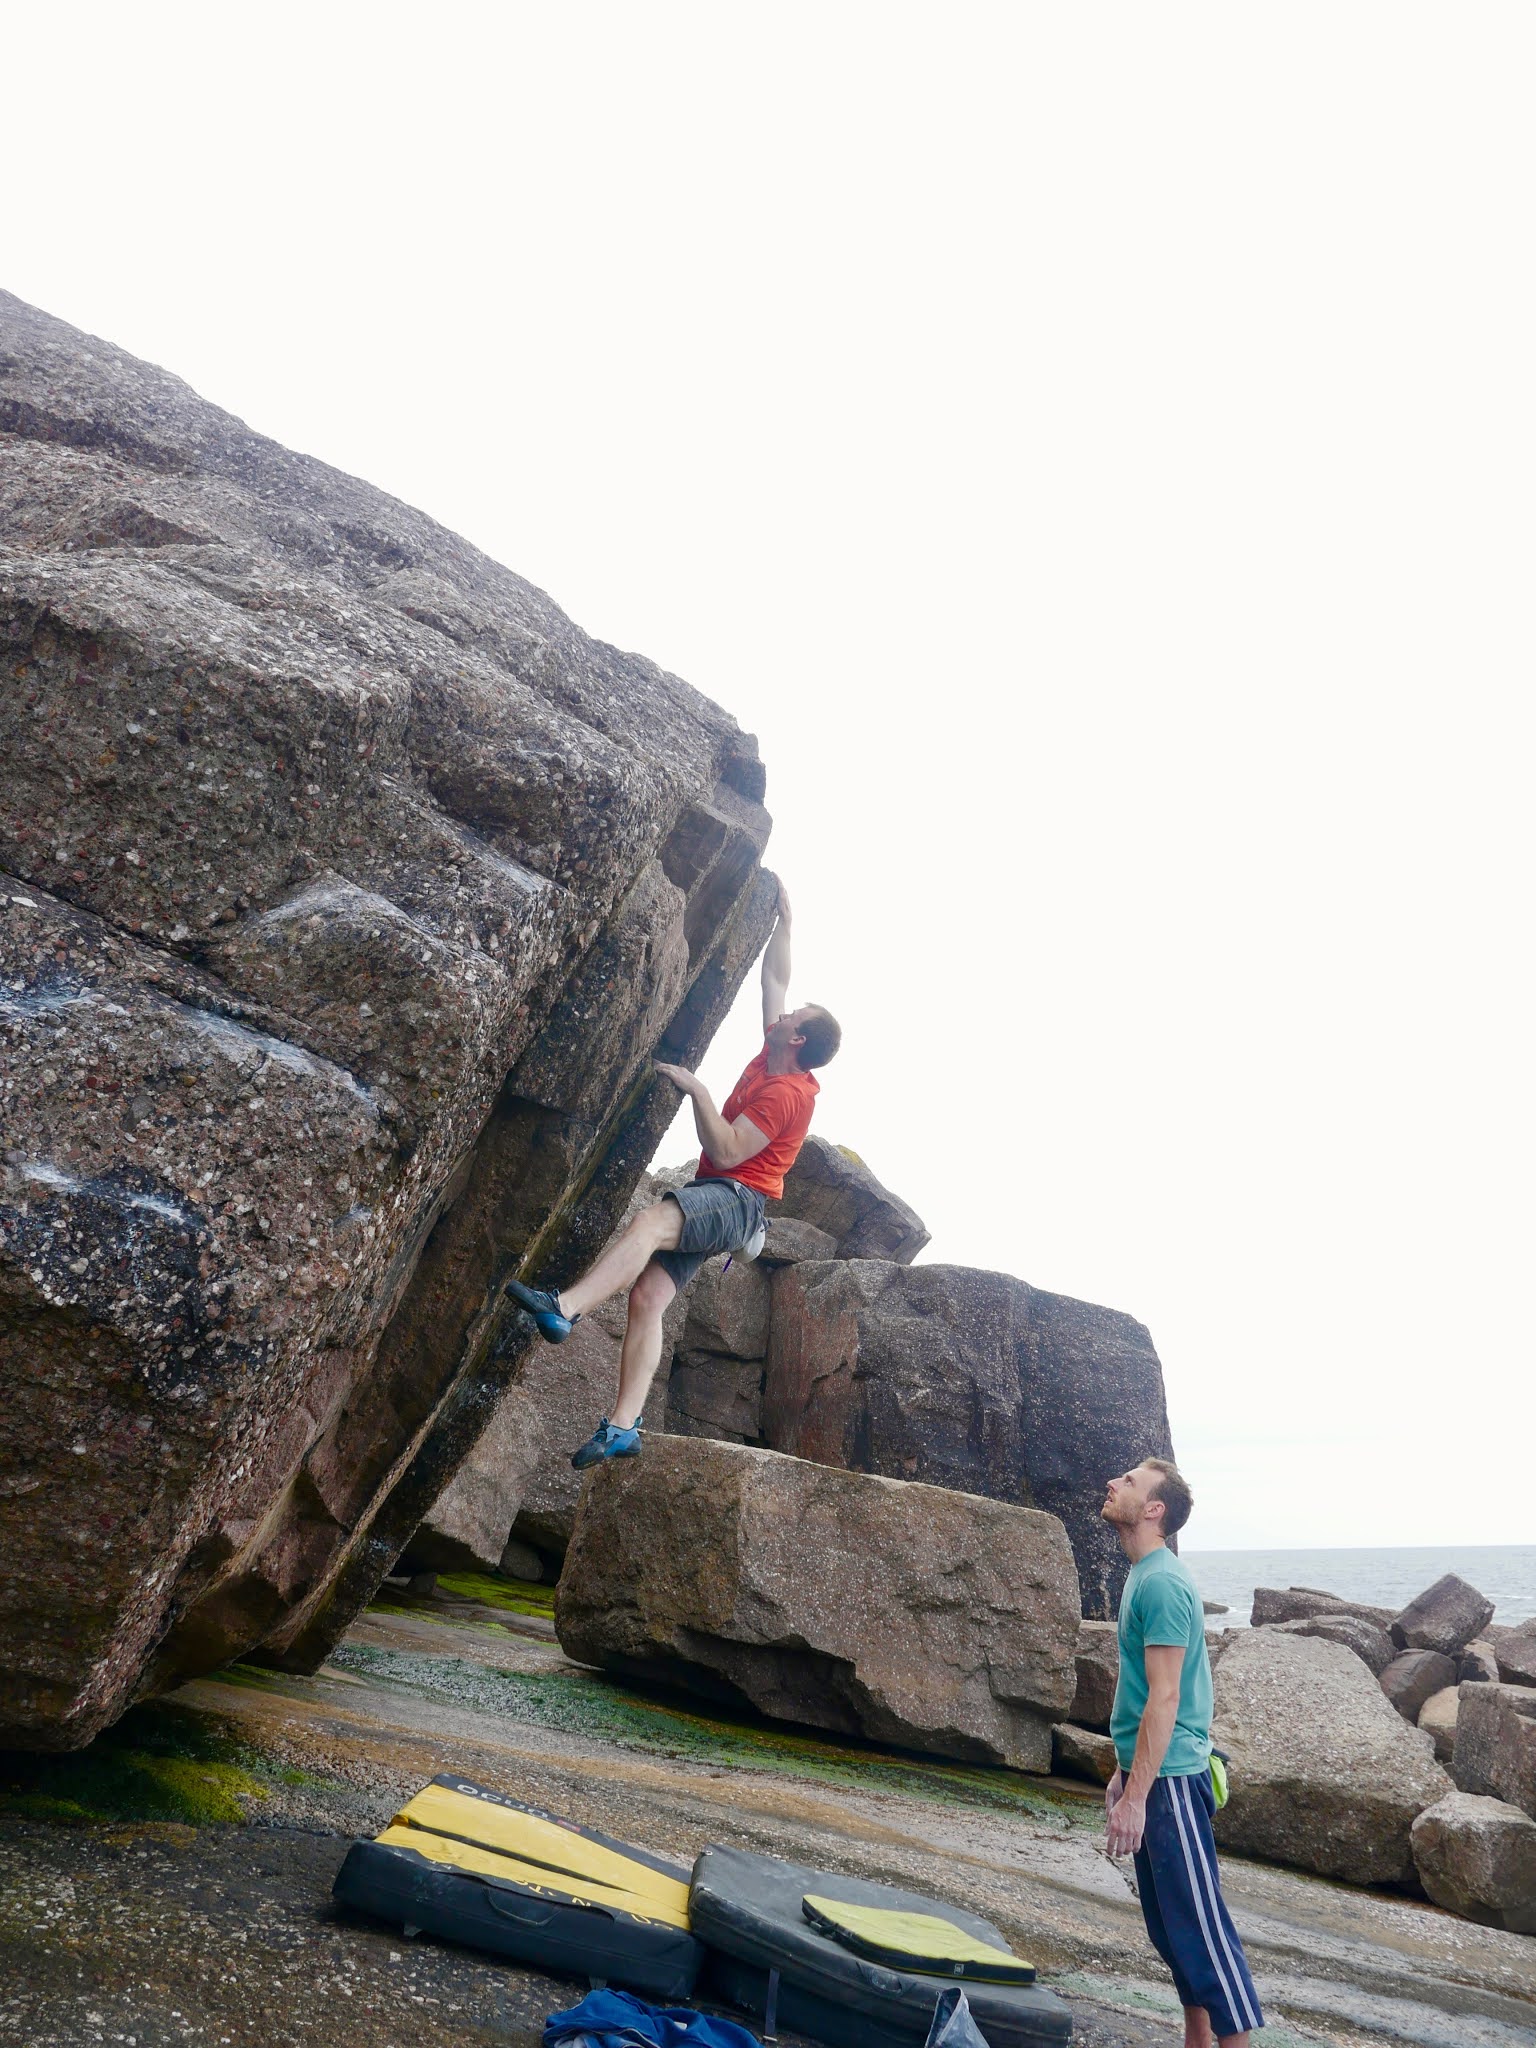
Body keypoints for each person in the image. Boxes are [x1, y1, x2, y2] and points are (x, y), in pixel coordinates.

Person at [505, 881, 840, 1470]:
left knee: (653, 1221)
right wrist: (785, 925)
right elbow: (775, 982)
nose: (784, 1012)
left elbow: (732, 1151)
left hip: (738, 1199)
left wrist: (698, 1091)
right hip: (722, 1195)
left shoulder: (789, 1094)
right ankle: (622, 1426)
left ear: (800, 1038)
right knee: (648, 1297)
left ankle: (565, 1308)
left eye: (795, 1016)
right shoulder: (774, 1051)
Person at [1101, 1459, 1264, 2048]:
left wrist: (1139, 1796)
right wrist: (1123, 1774)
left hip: (1171, 1780)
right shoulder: (1143, 1573)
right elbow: (1143, 1693)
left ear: (1153, 1510)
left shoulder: (1163, 1582)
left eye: (1130, 1482)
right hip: (1152, 1776)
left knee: (1204, 1933)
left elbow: (1167, 1698)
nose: (1114, 1483)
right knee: (1174, 1934)